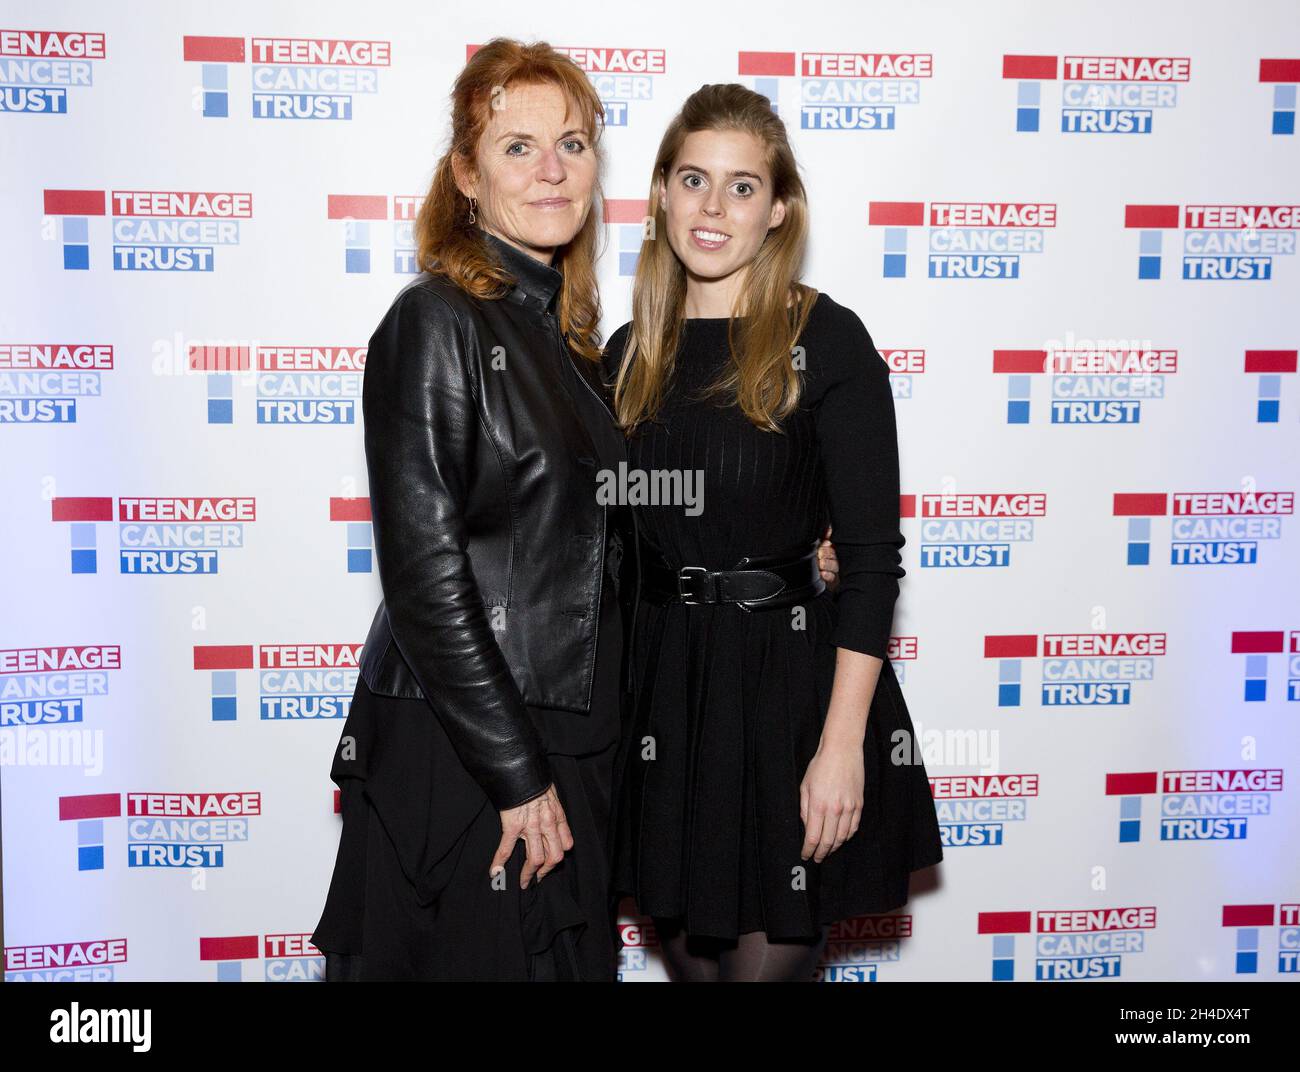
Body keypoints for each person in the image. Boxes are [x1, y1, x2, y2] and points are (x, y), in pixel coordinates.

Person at [602, 83, 945, 982]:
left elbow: (870, 565)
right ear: (662, 193)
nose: (713, 208)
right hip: (668, 708)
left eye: (743, 186)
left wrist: (839, 752)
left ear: (779, 207)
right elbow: (599, 549)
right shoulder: (627, 354)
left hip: (791, 700)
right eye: (692, 179)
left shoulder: (826, 341)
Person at [310, 38, 631, 981]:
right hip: (472, 759)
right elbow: (422, 575)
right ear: (467, 175)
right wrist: (515, 771)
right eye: (517, 147)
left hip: (565, 742)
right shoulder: (436, 321)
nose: (552, 170)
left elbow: (611, 537)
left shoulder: (572, 351)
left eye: (572, 145)